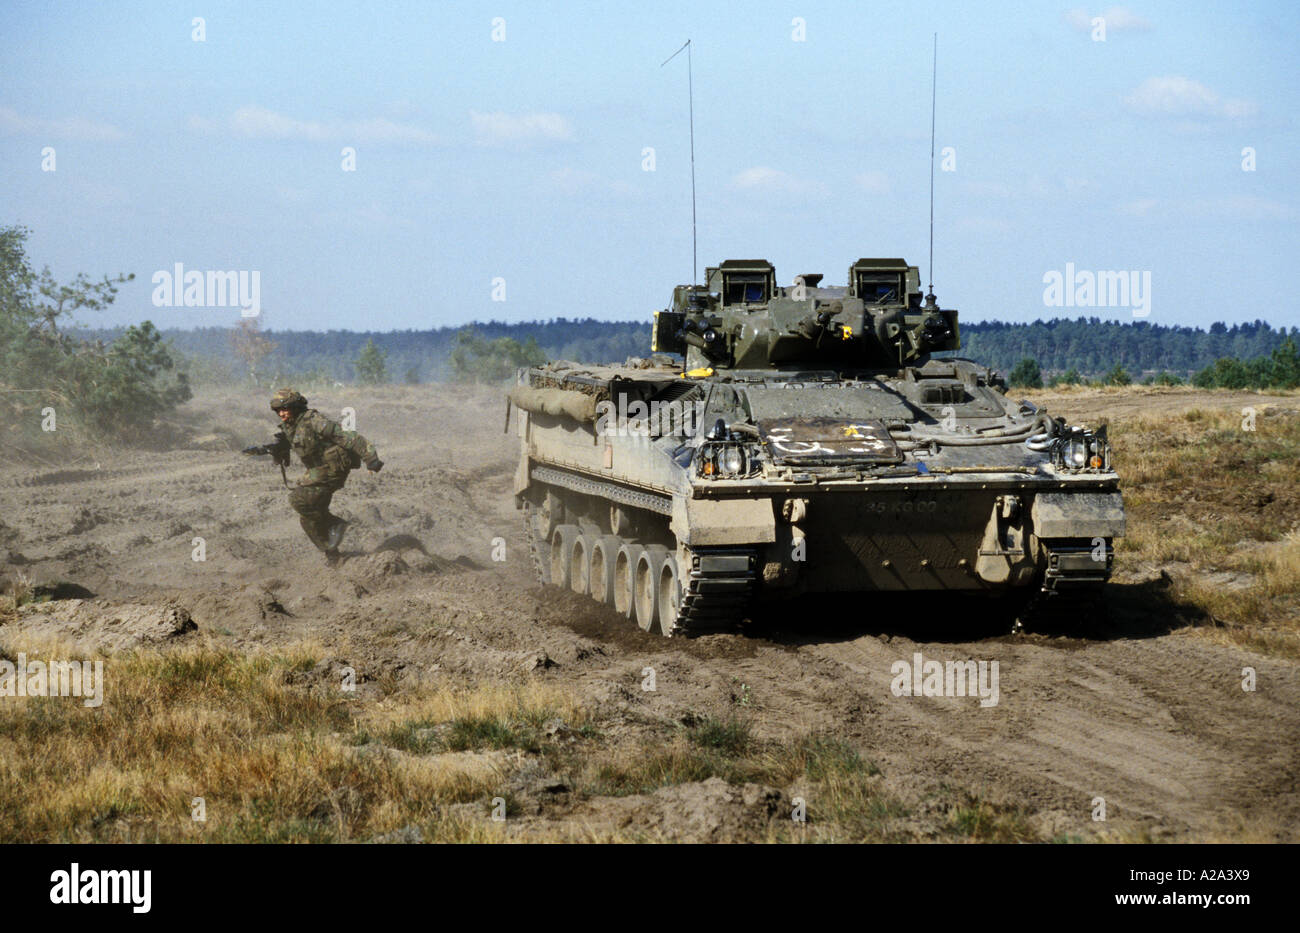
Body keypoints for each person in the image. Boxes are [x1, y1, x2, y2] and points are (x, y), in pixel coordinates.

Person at [266, 388, 383, 565]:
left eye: (285, 409)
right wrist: (276, 450)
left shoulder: (314, 421)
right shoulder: (290, 425)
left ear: (296, 407)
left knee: (299, 500)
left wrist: (371, 458)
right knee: (308, 519)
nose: (281, 414)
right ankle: (332, 553)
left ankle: (335, 524)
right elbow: (290, 441)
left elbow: (347, 436)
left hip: (333, 468)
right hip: (317, 471)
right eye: (278, 411)